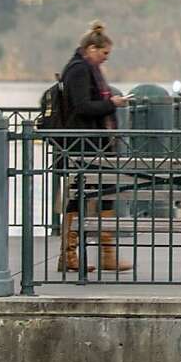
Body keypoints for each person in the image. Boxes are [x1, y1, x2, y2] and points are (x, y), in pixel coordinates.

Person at [56, 21, 133, 273]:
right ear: (91, 48)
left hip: (94, 145)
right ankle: (70, 255)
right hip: (82, 145)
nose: (105, 59)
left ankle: (106, 253)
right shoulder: (79, 70)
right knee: (80, 196)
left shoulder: (86, 68)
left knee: (104, 192)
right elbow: (81, 106)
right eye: (104, 54)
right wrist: (112, 103)